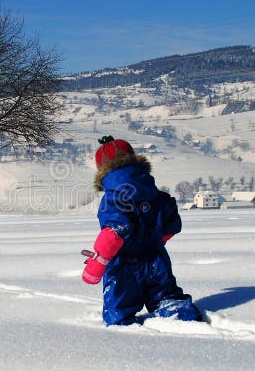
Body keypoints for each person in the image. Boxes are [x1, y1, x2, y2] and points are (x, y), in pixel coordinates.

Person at [81, 135, 201, 325]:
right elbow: (172, 225)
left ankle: (128, 339)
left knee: (119, 311)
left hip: (123, 266)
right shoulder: (156, 194)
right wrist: (153, 240)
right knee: (166, 298)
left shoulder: (114, 198)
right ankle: (184, 320)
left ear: (103, 170)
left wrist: (98, 263)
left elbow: (115, 231)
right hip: (156, 261)